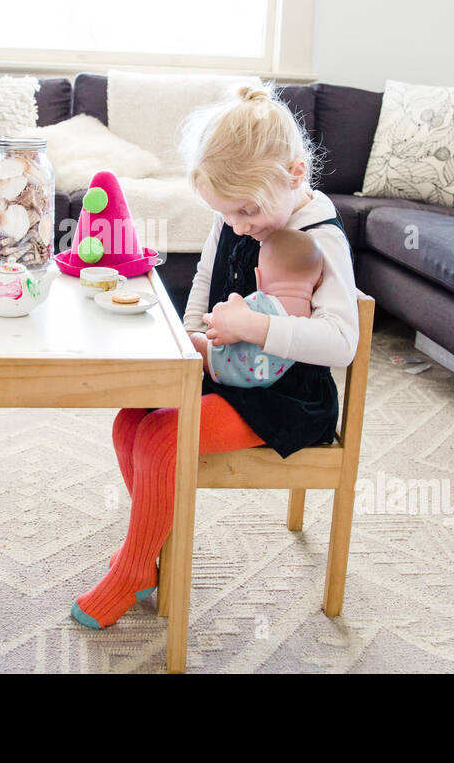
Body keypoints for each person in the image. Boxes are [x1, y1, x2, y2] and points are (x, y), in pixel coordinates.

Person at [72, 84, 359, 630]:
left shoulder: (321, 237)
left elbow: (342, 341)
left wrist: (255, 326)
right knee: (129, 420)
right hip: (222, 371)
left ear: (295, 176)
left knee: (161, 439)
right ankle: (151, 550)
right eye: (225, 214)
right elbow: (205, 283)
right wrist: (189, 344)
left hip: (285, 399)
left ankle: (136, 570)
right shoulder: (237, 214)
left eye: (246, 211)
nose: (237, 226)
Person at [191, 227, 325, 388]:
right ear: (318, 282)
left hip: (227, 369)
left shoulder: (258, 301)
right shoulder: (310, 318)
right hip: (269, 380)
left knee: (193, 340)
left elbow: (221, 321)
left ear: (258, 278)